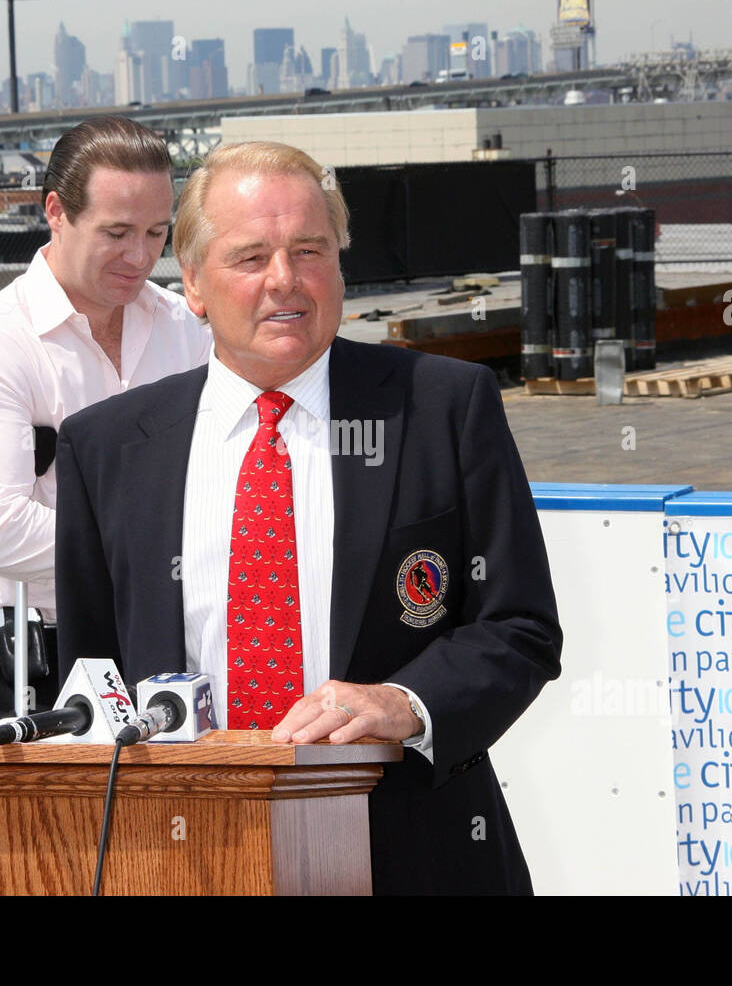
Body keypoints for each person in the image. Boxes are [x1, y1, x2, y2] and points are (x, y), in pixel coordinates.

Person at [55, 141, 562, 895]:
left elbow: (520, 628)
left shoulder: (443, 408)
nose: (284, 281)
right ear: (192, 283)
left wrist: (405, 703)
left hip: (412, 857)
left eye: (309, 250)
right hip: (186, 862)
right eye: (251, 256)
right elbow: (95, 678)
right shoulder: (106, 449)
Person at [0, 116, 211, 718]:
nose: (141, 256)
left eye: (158, 232)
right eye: (117, 232)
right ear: (56, 211)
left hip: (173, 647)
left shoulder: (190, 330)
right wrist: (165, 544)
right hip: (29, 665)